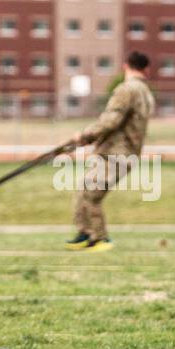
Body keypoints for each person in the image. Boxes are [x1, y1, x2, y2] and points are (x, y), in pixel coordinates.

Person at [64, 51, 155, 253]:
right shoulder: (146, 93)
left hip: (115, 153)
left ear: (125, 66)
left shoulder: (126, 89)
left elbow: (111, 120)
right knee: (84, 188)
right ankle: (85, 233)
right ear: (147, 70)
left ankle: (100, 238)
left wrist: (84, 135)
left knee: (90, 193)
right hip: (125, 153)